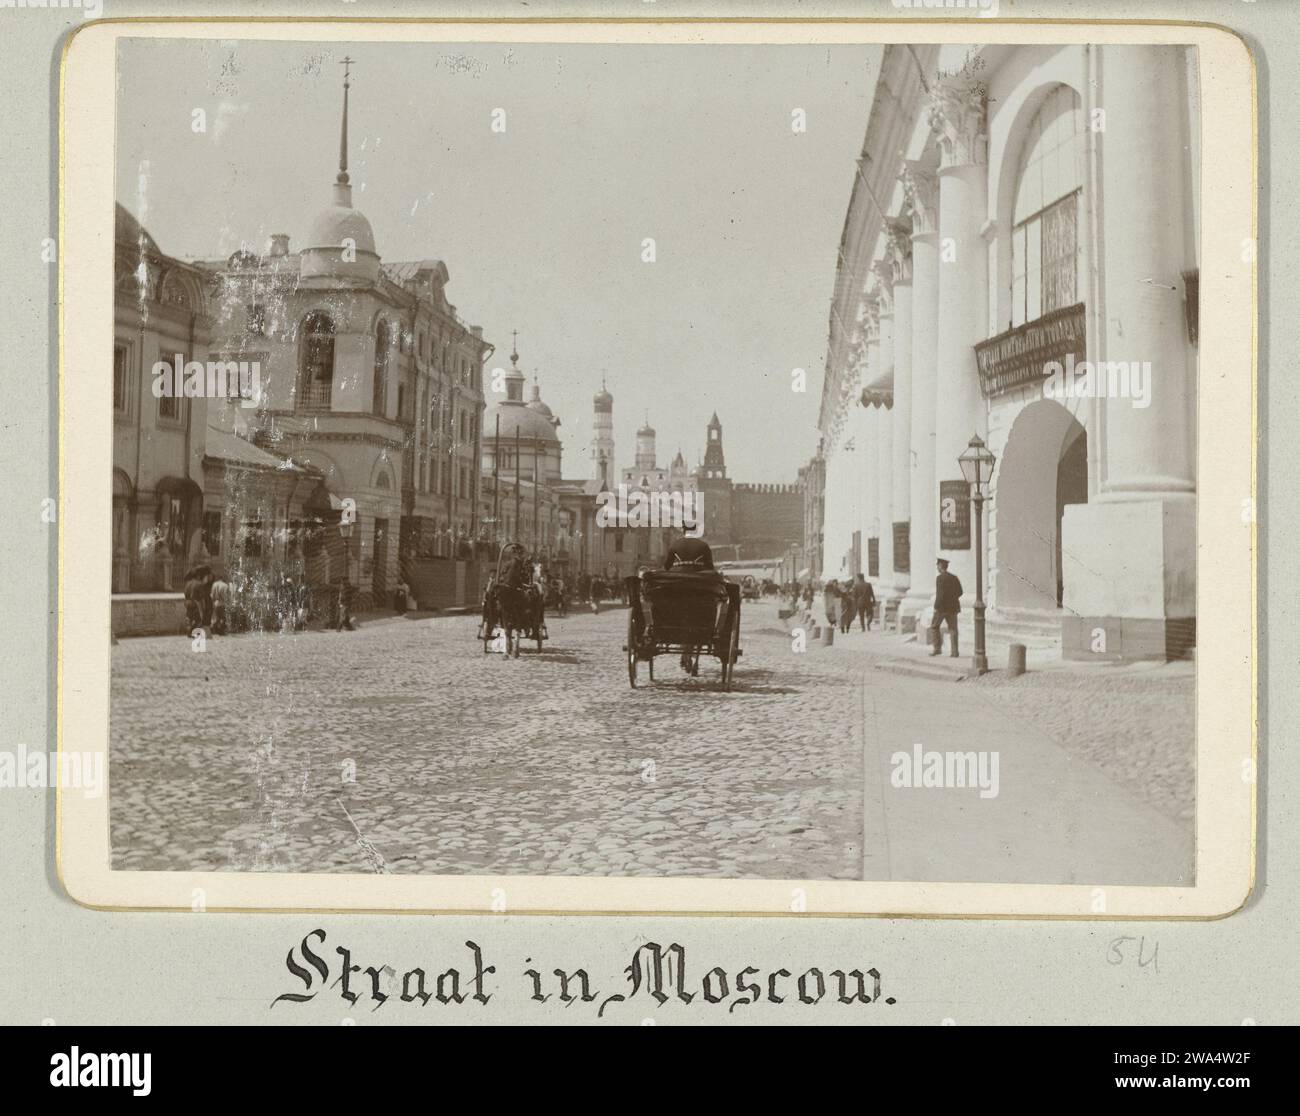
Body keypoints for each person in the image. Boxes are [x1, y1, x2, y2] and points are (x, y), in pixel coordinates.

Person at [929, 557, 963, 657]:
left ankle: (937, 649)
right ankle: (955, 652)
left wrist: (936, 606)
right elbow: (960, 592)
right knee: (953, 629)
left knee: (934, 626)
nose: (937, 568)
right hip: (953, 607)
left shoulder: (939, 578)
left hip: (942, 608)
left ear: (940, 566)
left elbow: (940, 594)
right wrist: (952, 599)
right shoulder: (954, 577)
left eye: (937, 566)